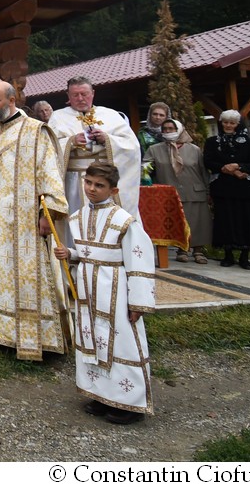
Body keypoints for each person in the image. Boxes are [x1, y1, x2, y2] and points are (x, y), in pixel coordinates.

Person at [0, 80, 69, 361]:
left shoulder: (36, 131)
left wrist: (48, 212)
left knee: (32, 277)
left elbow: (51, 172)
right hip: (0, 220)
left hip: (28, 221)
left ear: (12, 100)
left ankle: (36, 337)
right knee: (1, 272)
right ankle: (0, 332)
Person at [54, 162, 155, 425]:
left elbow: (139, 262)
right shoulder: (78, 217)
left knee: (122, 343)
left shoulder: (124, 221)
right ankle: (102, 394)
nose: (91, 189)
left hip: (116, 292)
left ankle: (131, 404)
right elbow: (91, 253)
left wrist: (138, 301)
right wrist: (71, 255)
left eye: (99, 185)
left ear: (113, 190)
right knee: (92, 340)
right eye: (88, 183)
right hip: (89, 292)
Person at [48, 77, 140, 217]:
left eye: (84, 94)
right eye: (75, 95)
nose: (80, 98)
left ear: (93, 93)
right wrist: (71, 142)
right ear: (68, 96)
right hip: (74, 182)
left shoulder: (111, 115)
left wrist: (107, 139)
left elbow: (132, 146)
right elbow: (47, 148)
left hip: (105, 179)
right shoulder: (57, 117)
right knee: (76, 219)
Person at [203, 110, 250, 270]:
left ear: (238, 124)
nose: (228, 125)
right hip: (223, 186)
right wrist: (226, 168)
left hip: (245, 187)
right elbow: (208, 161)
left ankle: (245, 256)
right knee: (226, 220)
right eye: (225, 122)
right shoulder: (212, 141)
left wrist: (239, 167)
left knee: (247, 220)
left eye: (232, 123)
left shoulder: (249, 142)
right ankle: (228, 254)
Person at [148, 119, 211, 263]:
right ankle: (182, 249)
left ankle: (198, 251)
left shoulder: (194, 149)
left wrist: (208, 191)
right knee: (177, 223)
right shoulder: (155, 149)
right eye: (165, 129)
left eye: (172, 128)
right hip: (169, 193)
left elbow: (203, 171)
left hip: (194, 191)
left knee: (197, 222)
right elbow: (146, 170)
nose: (168, 131)